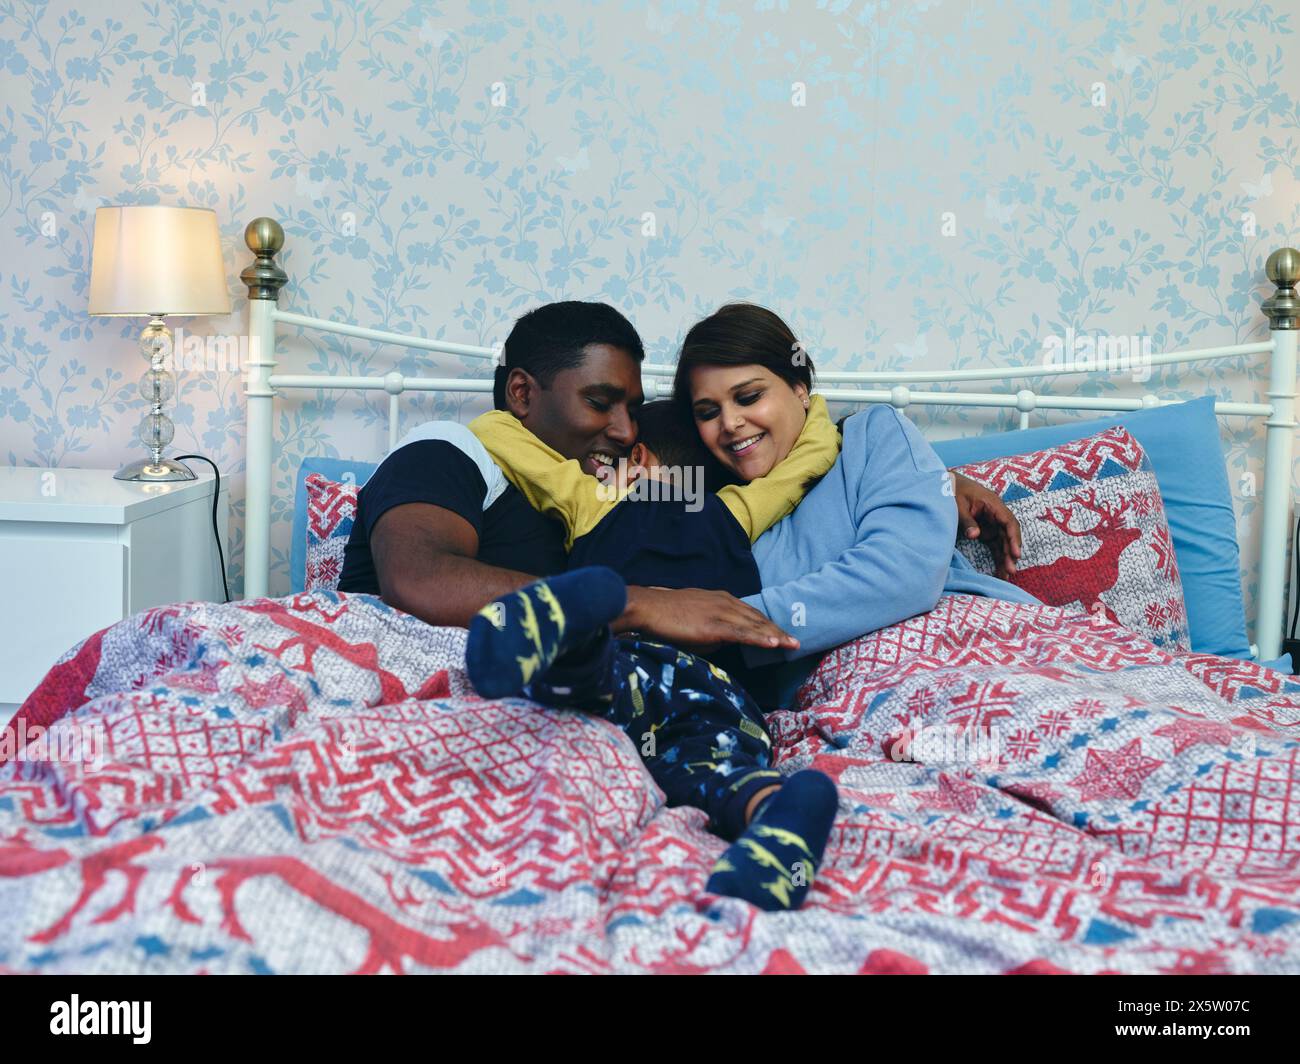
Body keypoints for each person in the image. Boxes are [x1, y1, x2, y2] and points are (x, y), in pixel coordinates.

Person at [461, 398, 843, 911]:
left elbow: (496, 432)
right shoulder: (737, 509)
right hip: (720, 687)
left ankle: (559, 629)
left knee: (589, 678)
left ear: (636, 458)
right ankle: (773, 809)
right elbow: (812, 457)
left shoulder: (592, 499)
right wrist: (810, 402)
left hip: (631, 658)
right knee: (717, 765)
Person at [671, 302, 1042, 707]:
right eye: (708, 412)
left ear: (799, 389)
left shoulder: (872, 436)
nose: (729, 423)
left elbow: (903, 575)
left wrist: (725, 624)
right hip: (848, 697)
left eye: (748, 396)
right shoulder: (714, 518)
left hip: (981, 646)